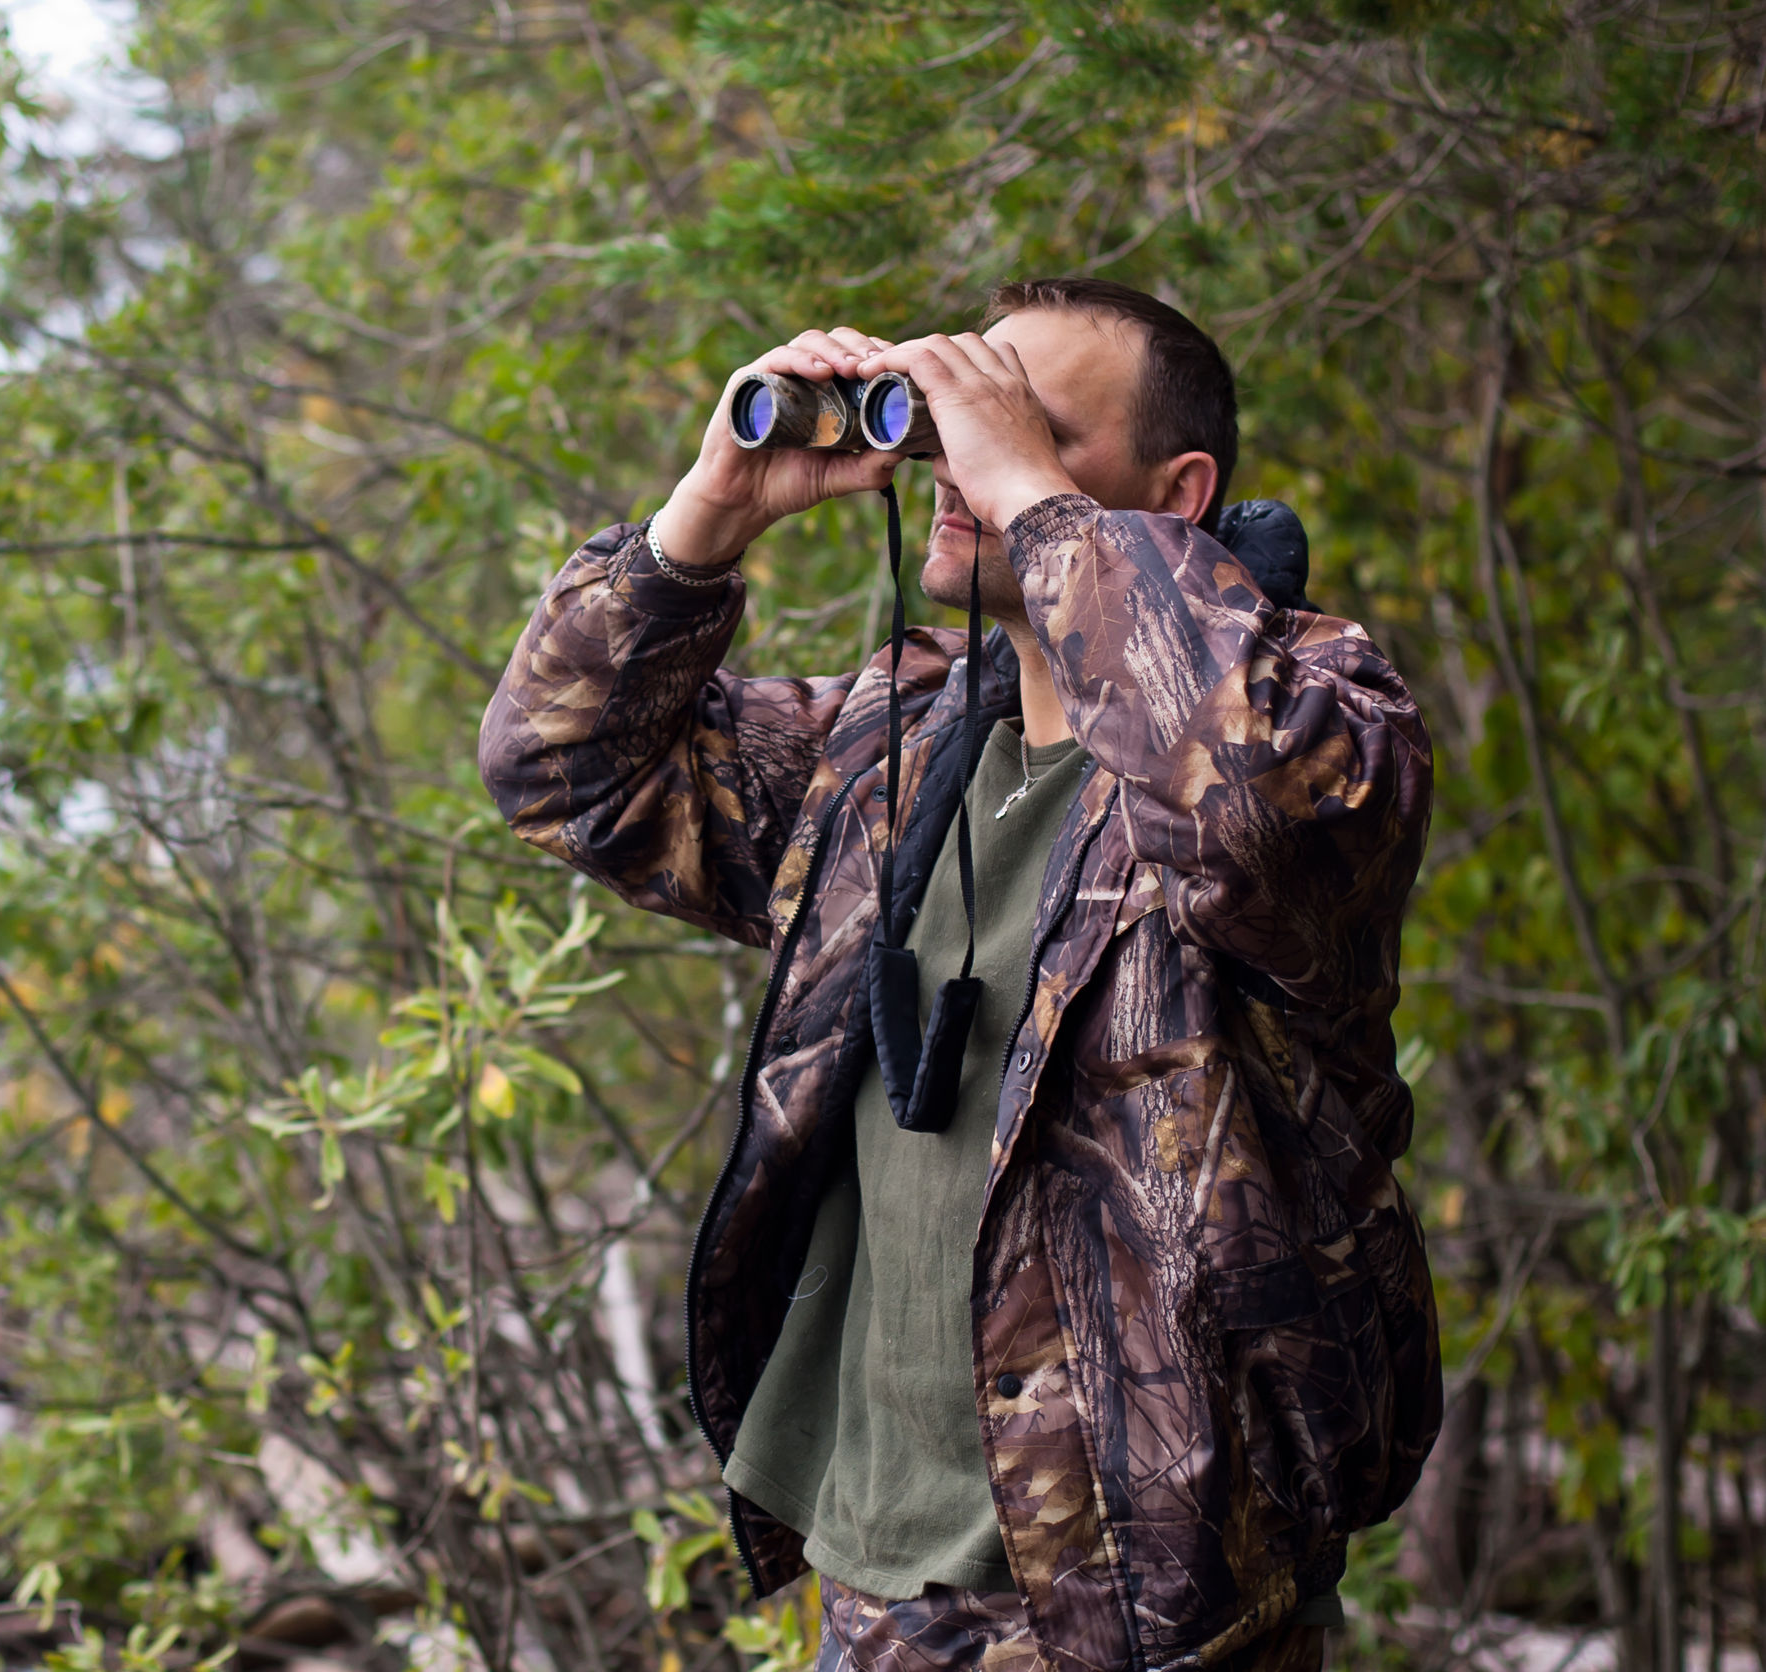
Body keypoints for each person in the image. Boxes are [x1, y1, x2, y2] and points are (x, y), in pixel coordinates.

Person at [478, 279, 1441, 1672]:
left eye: (1024, 424)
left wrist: (1034, 497)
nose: (957, 461)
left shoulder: (1314, 719)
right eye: (953, 414)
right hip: (877, 1582)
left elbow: (1241, 799)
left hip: (1158, 1607)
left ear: (1177, 495)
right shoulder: (895, 744)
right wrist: (710, 515)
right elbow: (557, 769)